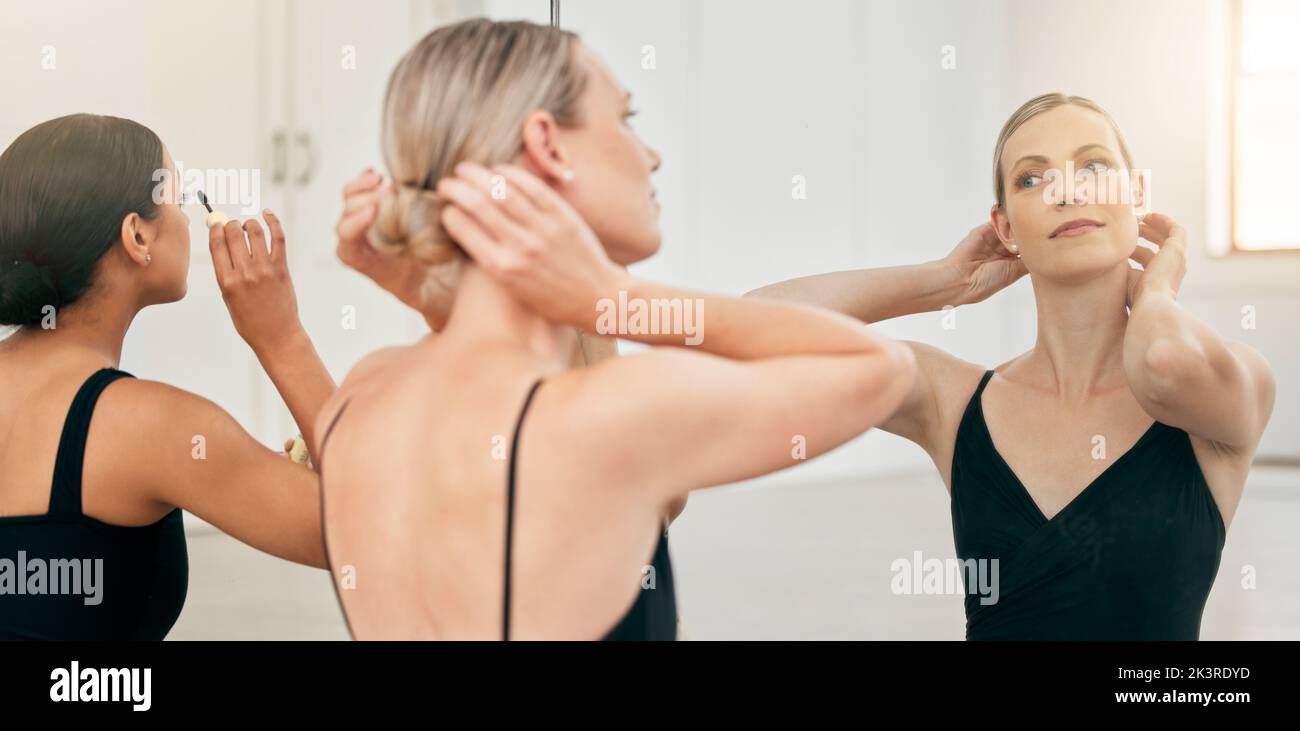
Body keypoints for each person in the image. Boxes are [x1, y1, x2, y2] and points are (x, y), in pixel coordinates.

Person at [315, 18, 917, 640]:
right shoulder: (603, 415)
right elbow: (880, 367)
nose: (650, 154)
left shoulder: (362, 397)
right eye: (627, 118)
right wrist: (616, 297)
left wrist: (441, 299)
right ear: (548, 145)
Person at [747, 93, 1276, 639]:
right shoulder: (950, 401)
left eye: (1094, 166)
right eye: (1031, 179)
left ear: (1136, 194)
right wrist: (944, 282)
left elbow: (1163, 363)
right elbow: (755, 327)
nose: (1067, 190)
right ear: (1004, 228)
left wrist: (1159, 287)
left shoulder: (1231, 380)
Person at [0, 114, 336, 639]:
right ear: (137, 234)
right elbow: (369, 530)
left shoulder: (164, 441)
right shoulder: (159, 429)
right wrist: (282, 337)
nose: (185, 219)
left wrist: (247, 466)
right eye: (176, 202)